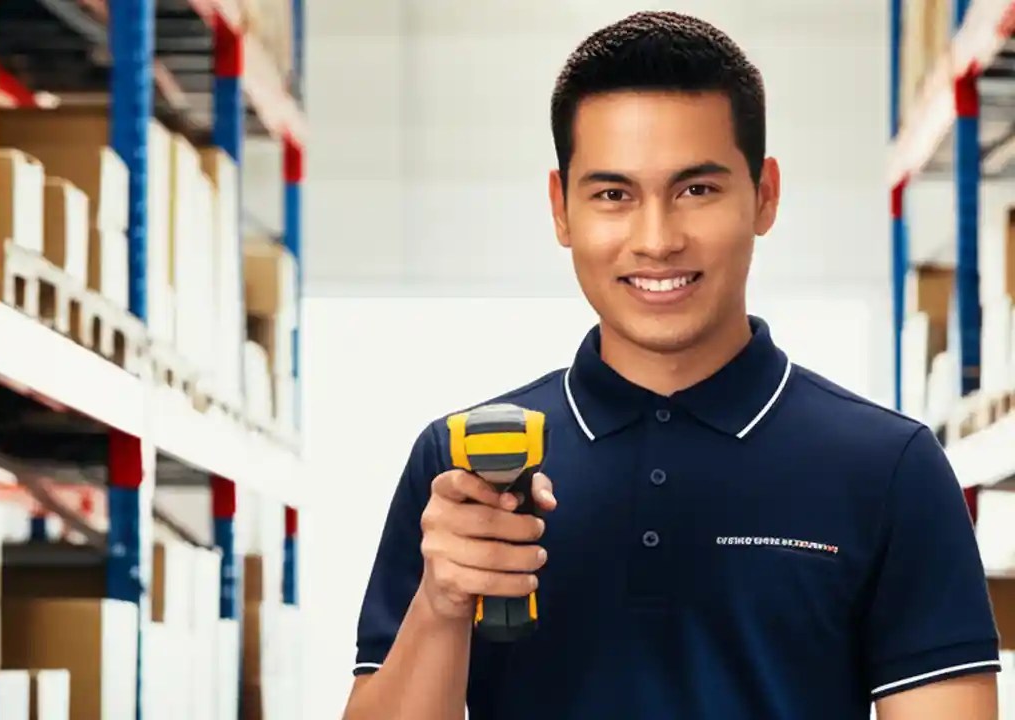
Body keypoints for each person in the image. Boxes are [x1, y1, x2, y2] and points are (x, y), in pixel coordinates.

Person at [341, 10, 1001, 720]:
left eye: (696, 190)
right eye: (613, 195)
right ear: (561, 210)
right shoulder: (464, 470)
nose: (656, 240)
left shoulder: (891, 469)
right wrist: (442, 603)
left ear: (765, 195)